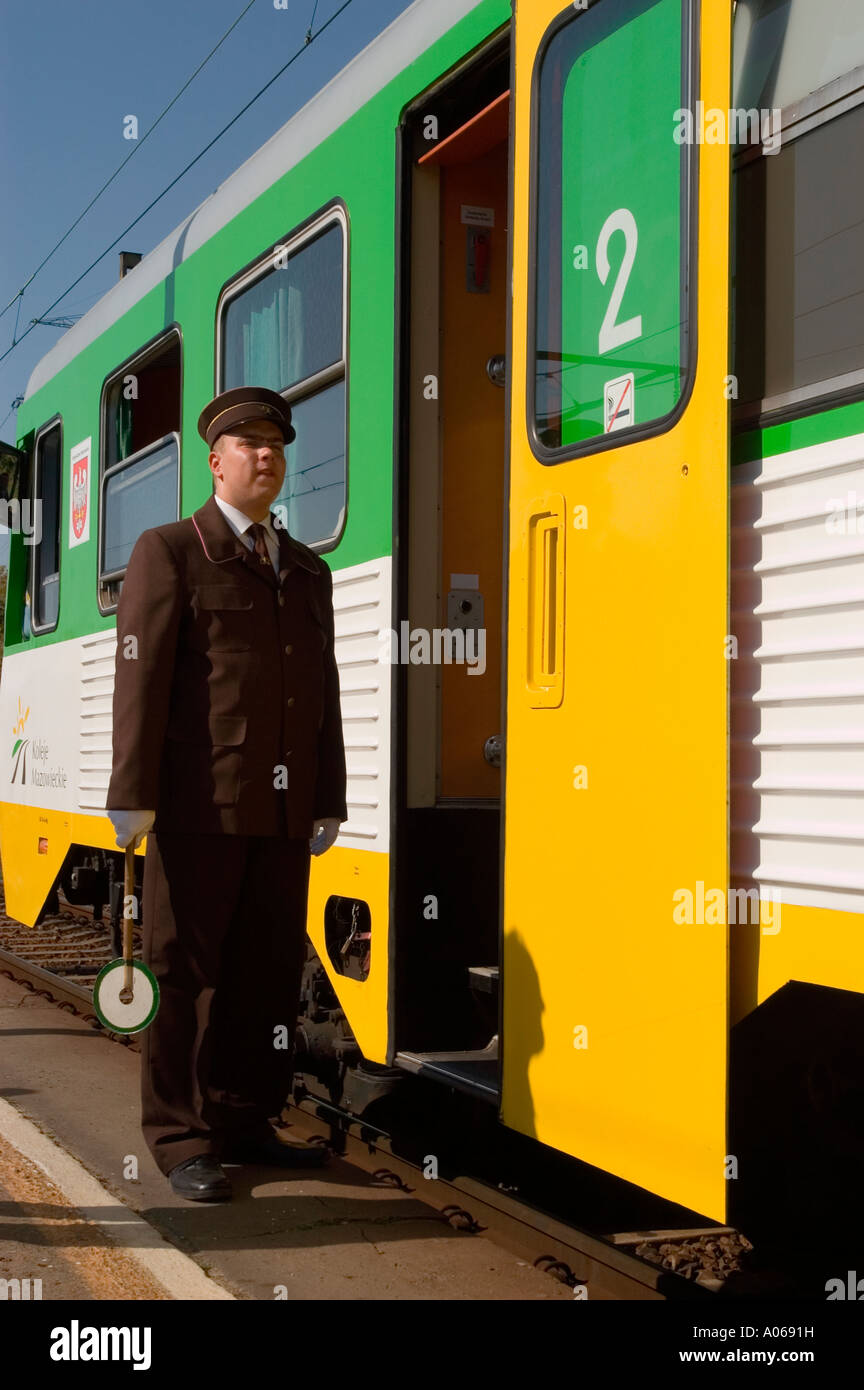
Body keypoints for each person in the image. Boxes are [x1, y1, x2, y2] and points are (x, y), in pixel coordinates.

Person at [105, 385, 347, 1201]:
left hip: (282, 812)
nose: (265, 455)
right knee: (187, 974)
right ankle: (180, 1137)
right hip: (198, 804)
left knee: (266, 973)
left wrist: (328, 795)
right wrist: (132, 792)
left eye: (275, 443)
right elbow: (141, 679)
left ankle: (246, 1117)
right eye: (246, 444)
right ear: (215, 462)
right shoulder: (171, 550)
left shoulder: (307, 570)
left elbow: (325, 693)